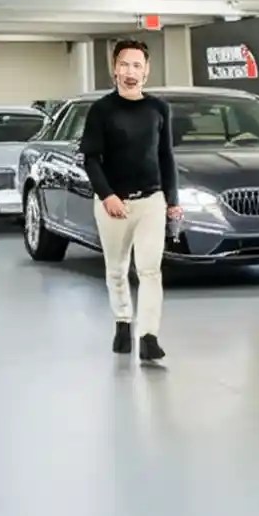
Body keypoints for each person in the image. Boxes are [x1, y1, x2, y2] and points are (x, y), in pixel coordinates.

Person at [78, 38, 183, 360]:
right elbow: (91, 159)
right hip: (114, 204)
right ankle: (123, 320)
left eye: (137, 65)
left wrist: (172, 199)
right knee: (117, 269)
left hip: (151, 200)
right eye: (124, 64)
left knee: (150, 270)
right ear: (114, 69)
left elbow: (165, 156)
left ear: (147, 70)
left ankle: (149, 336)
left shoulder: (158, 109)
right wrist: (107, 196)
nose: (130, 71)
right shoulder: (102, 110)